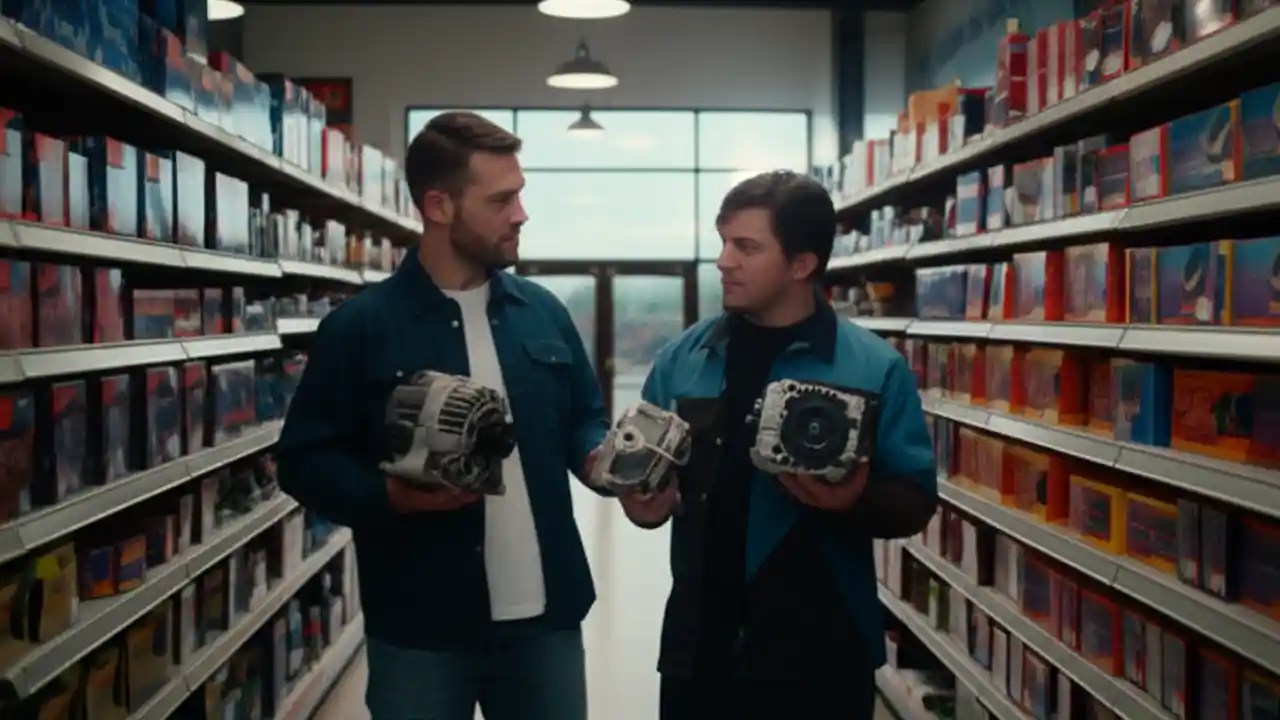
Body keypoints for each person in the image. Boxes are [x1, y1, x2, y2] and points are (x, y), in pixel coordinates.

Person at [275, 111, 609, 720]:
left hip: (546, 625)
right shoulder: (361, 328)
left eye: (521, 195)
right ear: (439, 205)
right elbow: (303, 460)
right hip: (421, 629)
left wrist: (605, 462)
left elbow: (584, 418)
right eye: (502, 199)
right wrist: (389, 497)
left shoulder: (544, 314)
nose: (521, 214)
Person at [617, 170, 938, 719]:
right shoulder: (681, 360)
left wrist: (850, 503)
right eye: (723, 242)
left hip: (821, 656)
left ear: (801, 264)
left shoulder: (873, 368)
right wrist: (641, 505)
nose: (723, 261)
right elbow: (649, 483)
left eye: (745, 247)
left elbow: (914, 499)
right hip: (700, 650)